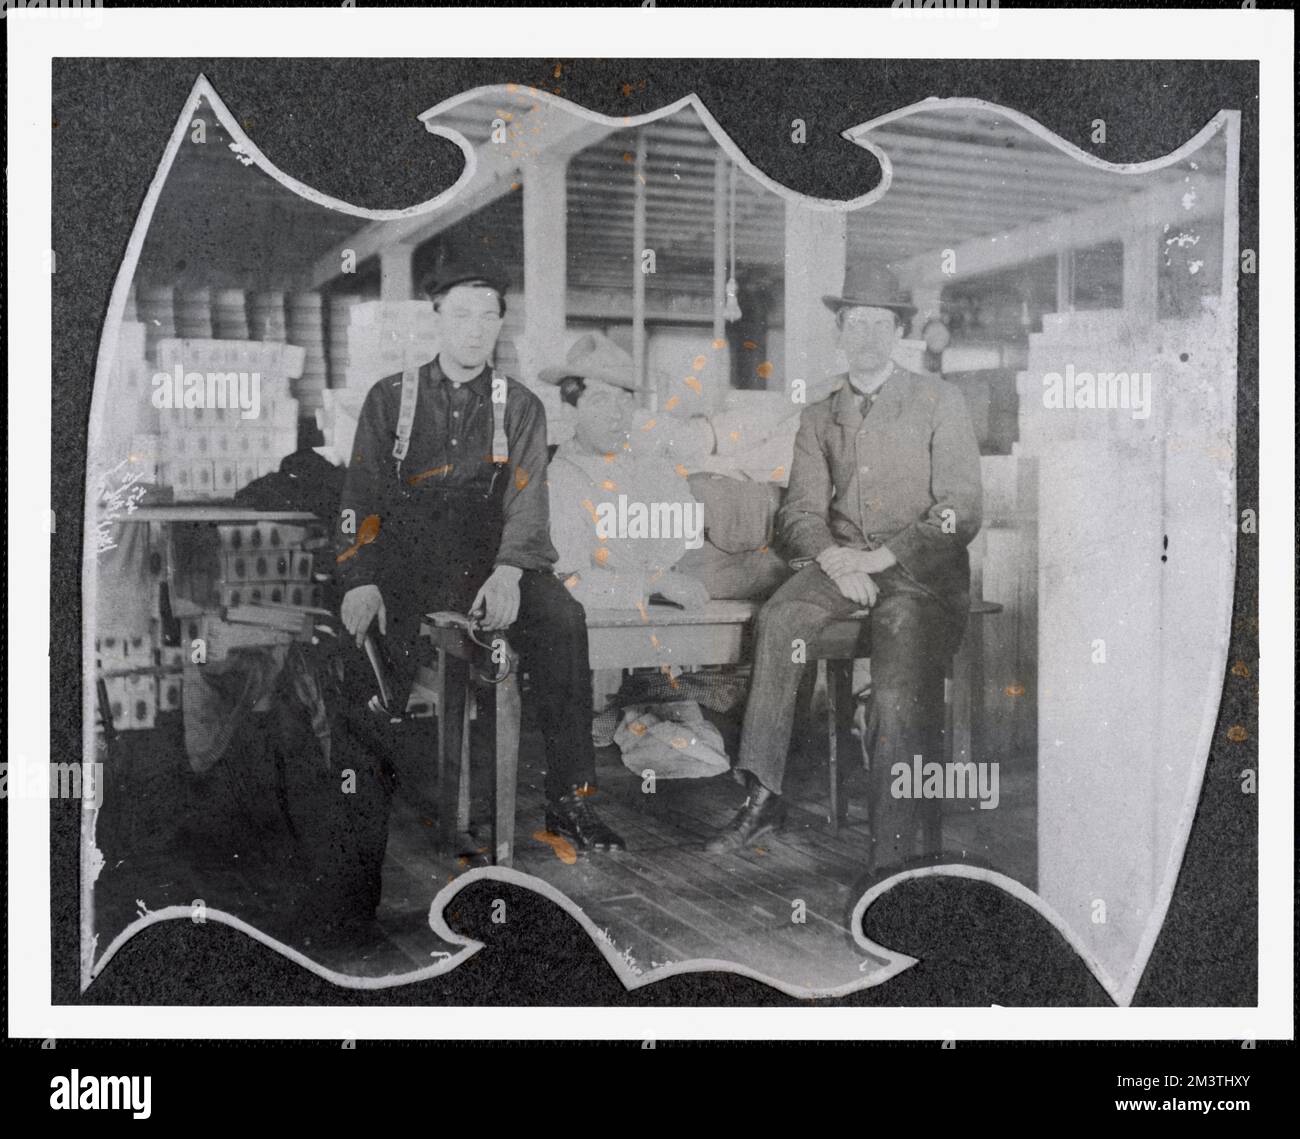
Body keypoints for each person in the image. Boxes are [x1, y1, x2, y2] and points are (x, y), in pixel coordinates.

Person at [333, 259, 625, 861]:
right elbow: (359, 496)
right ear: (436, 318)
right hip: (407, 556)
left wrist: (512, 569)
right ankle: (359, 809)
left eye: (486, 316)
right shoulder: (390, 397)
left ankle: (570, 797)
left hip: (491, 555)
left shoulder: (520, 406)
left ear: (499, 326)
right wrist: (360, 579)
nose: (473, 329)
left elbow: (527, 497)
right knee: (368, 666)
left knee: (564, 620)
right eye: (460, 314)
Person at [704, 262, 983, 874]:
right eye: (854, 323)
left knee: (896, 668)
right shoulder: (818, 414)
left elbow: (958, 512)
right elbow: (801, 512)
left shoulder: (941, 400)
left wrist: (879, 558)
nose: (866, 336)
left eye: (879, 324)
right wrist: (833, 557)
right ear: (839, 330)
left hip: (918, 573)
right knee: (781, 617)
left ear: (899, 332)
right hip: (842, 564)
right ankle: (766, 795)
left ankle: (897, 851)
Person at [539, 332, 710, 613]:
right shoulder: (561, 479)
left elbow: (684, 532)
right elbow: (570, 582)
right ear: (570, 412)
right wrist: (653, 582)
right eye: (600, 400)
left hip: (700, 561)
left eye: (625, 400)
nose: (617, 414)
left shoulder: (647, 460)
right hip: (634, 605)